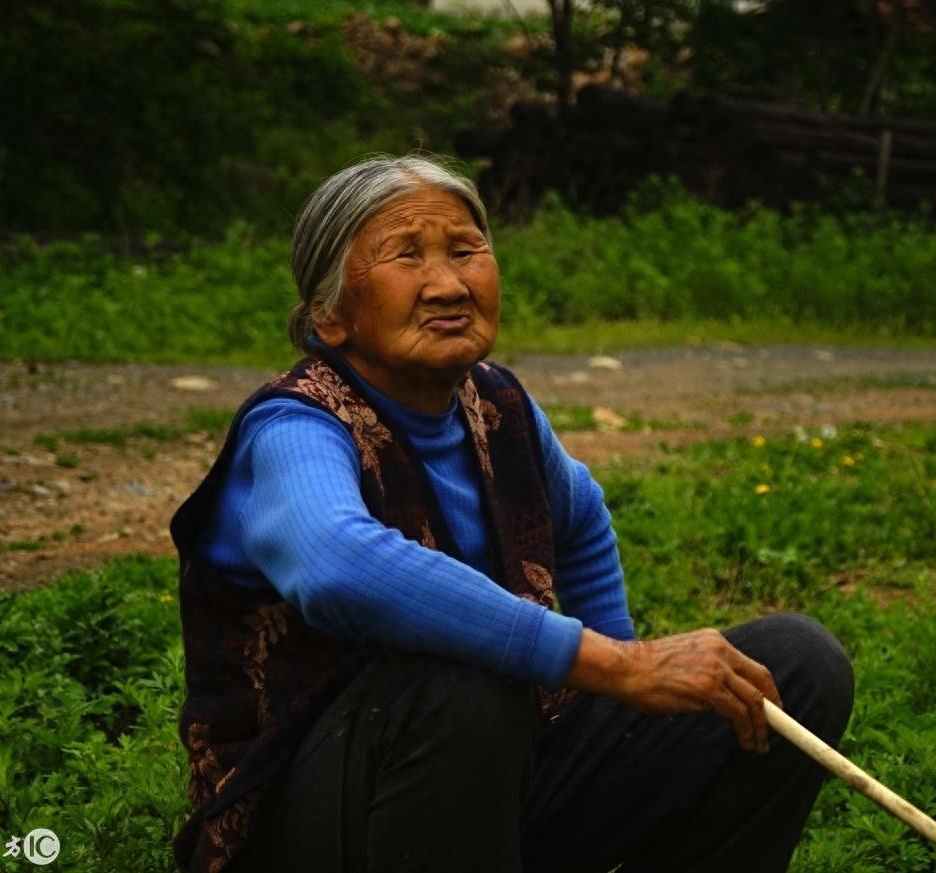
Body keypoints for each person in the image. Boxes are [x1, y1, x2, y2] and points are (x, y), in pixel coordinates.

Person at [170, 154, 854, 873]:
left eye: (467, 250)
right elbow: (339, 565)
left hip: (487, 781)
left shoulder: (496, 403)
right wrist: (615, 664)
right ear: (330, 316)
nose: (449, 283)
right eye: (406, 256)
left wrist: (618, 698)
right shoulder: (295, 427)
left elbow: (581, 517)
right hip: (312, 821)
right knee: (459, 680)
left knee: (797, 662)